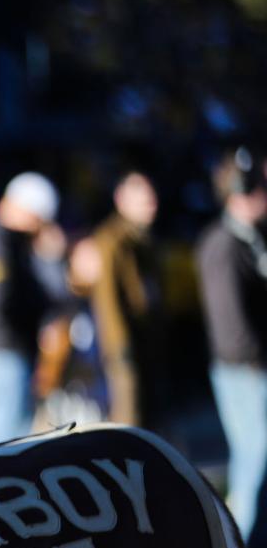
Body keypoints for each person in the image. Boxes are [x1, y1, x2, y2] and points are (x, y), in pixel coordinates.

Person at [197, 147, 267, 542]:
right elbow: (231, 324)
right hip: (244, 370)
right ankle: (242, 546)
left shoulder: (251, 237)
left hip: (252, 367)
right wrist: (253, 360)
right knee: (254, 461)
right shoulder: (223, 244)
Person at [0, 171, 62, 444]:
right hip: (3, 353)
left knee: (17, 437)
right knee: (3, 444)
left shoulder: (11, 242)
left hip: (12, 352)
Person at [88, 171, 162, 426]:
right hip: (125, 348)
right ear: (121, 200)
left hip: (145, 342)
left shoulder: (141, 239)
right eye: (144, 200)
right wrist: (120, 350)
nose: (152, 205)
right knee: (130, 423)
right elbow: (106, 300)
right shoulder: (111, 241)